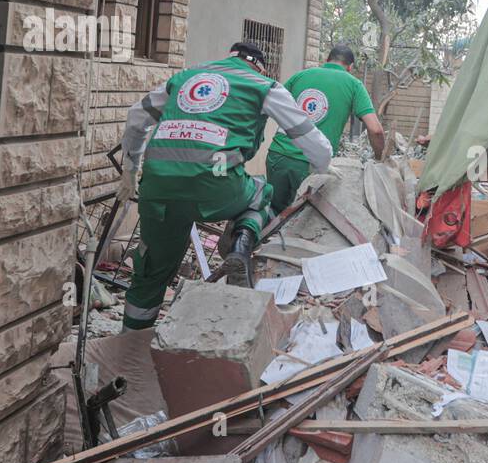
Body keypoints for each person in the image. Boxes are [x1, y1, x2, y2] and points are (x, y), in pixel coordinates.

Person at [115, 41, 333, 330]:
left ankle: (128, 350)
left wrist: (129, 170)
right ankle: (240, 245)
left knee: (151, 270)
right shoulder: (263, 85)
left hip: (158, 186)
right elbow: (316, 146)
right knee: (261, 192)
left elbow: (136, 117)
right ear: (260, 65)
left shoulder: (185, 77)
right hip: (216, 180)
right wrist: (322, 172)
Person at [265, 44, 386, 215]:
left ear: (326, 60)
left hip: (278, 156)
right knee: (299, 220)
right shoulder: (353, 84)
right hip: (311, 163)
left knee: (272, 214)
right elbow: (376, 130)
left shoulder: (300, 76)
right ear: (350, 67)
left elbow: (271, 104)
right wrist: (380, 157)